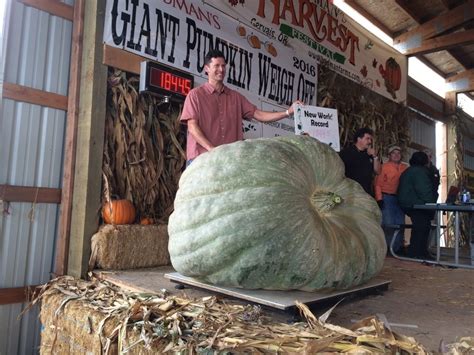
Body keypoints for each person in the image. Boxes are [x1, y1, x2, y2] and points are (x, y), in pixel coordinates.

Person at [180, 49, 302, 163]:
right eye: (216, 66)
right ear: (207, 68)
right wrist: (212, 150)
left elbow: (259, 114)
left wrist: (287, 112)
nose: (221, 70)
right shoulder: (195, 95)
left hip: (228, 162)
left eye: (223, 66)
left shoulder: (236, 97)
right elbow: (192, 127)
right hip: (201, 161)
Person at [397, 151, 436, 259]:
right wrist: (431, 204)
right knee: (422, 226)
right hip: (416, 204)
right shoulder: (420, 172)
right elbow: (424, 190)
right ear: (425, 161)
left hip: (408, 203)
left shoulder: (409, 170)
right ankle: (416, 253)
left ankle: (418, 252)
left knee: (421, 226)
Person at [374, 145, 408, 254]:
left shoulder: (405, 167)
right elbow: (378, 184)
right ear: (389, 155)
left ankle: (398, 248)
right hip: (387, 196)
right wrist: (379, 198)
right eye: (393, 153)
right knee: (388, 222)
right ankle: (388, 248)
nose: (396, 155)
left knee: (400, 222)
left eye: (398, 153)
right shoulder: (384, 167)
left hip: (400, 197)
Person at [339, 127, 381, 197]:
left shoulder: (369, 153)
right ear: (359, 139)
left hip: (366, 192)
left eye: (370, 139)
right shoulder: (347, 152)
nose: (370, 142)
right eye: (367, 139)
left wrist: (375, 157)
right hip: (351, 193)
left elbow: (378, 171)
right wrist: (366, 155)